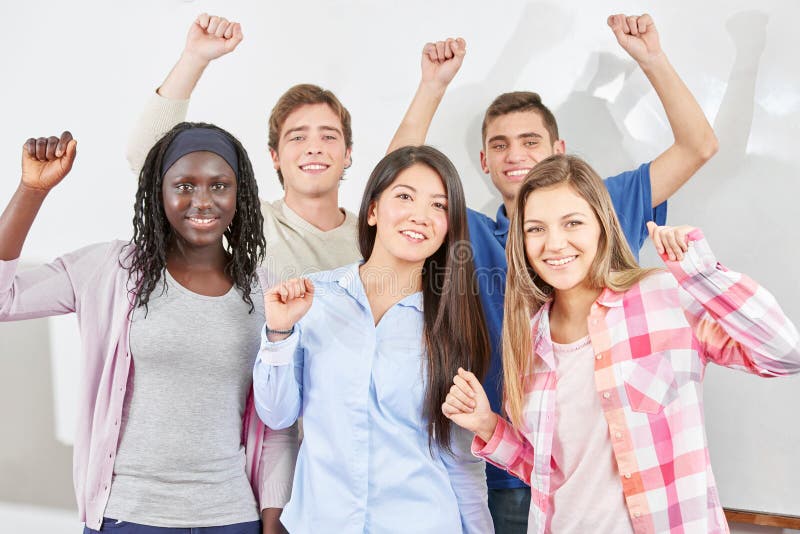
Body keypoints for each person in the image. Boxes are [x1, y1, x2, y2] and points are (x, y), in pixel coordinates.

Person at [390, 14, 719, 530]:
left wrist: (651, 58)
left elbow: (698, 146)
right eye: (499, 145)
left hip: (613, 470)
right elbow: (397, 187)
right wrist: (432, 87)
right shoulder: (469, 232)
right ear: (483, 161)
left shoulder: (605, 207)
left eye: (530, 141)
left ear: (558, 151)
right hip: (504, 462)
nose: (515, 154)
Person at [441, 154, 800, 534]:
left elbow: (784, 354)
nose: (554, 243)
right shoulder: (528, 337)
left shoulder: (665, 297)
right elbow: (551, 472)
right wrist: (486, 424)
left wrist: (702, 275)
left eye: (573, 223)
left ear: (602, 225)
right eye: (536, 229)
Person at [0, 125, 296, 533]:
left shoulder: (265, 289)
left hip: (232, 516)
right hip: (130, 516)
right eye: (185, 185)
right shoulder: (111, 270)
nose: (203, 201)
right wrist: (31, 192)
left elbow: (275, 420)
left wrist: (273, 516)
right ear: (159, 192)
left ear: (239, 194)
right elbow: (5, 298)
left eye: (220, 185)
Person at [253, 146, 493, 533]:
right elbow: (277, 414)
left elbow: (461, 459)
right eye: (404, 197)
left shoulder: (453, 325)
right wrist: (279, 333)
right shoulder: (314, 300)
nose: (420, 216)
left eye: (438, 205)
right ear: (372, 210)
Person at [126, 13, 467, 282]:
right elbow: (149, 158)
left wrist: (432, 87)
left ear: (348, 153)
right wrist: (194, 58)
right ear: (274, 156)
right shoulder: (252, 223)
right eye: (298, 137)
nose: (315, 147)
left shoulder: (370, 233)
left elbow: (398, 170)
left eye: (329, 136)